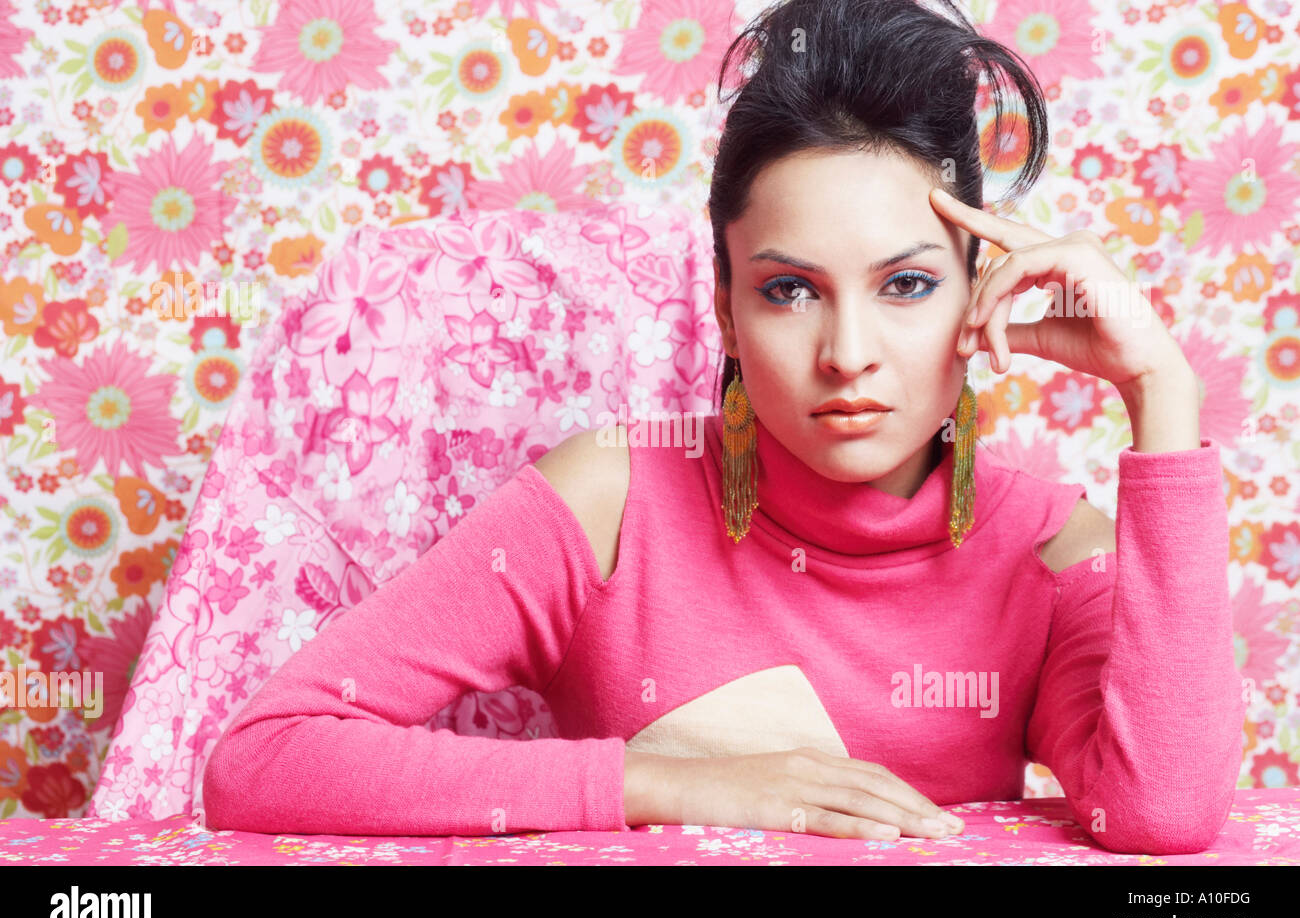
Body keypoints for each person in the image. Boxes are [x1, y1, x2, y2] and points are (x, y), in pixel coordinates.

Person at [202, 0, 1243, 854]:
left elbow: (1167, 810)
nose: (846, 352)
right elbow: (263, 754)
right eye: (789, 290)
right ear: (724, 311)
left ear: (982, 294)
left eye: (908, 285)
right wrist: (676, 783)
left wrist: (1161, 394)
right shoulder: (611, 501)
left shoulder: (1053, 550)